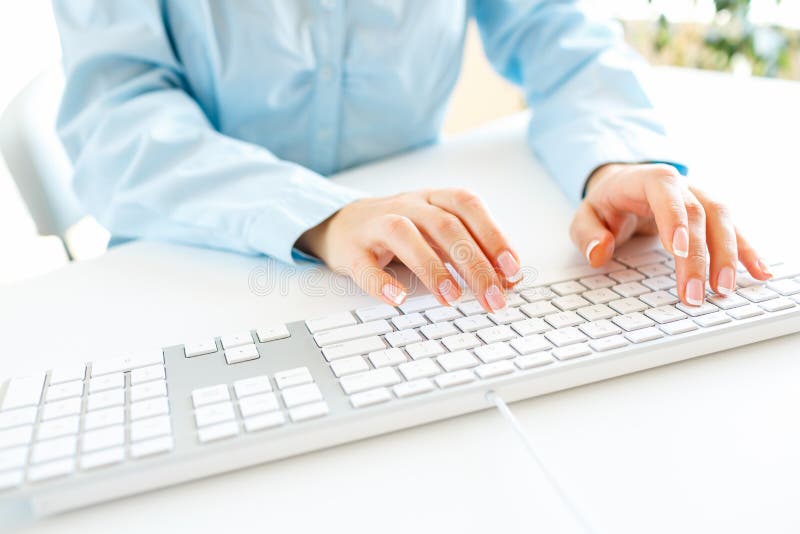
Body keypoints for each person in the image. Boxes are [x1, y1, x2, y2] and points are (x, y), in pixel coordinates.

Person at [52, 1, 771, 313]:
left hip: (418, 277)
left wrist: (612, 164)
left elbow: (556, 30)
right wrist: (325, 216)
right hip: (196, 268)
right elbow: (115, 117)